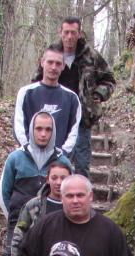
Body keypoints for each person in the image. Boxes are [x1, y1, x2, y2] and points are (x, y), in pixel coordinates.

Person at [33, 16, 116, 176]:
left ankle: (79, 192)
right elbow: (36, 81)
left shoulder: (91, 56)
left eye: (73, 32)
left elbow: (110, 80)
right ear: (60, 32)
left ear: (79, 33)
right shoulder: (52, 55)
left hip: (82, 118)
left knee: (82, 165)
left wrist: (99, 94)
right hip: (54, 116)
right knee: (53, 164)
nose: (69, 36)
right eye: (66, 32)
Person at [14, 47, 81, 156]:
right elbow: (19, 126)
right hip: (29, 157)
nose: (53, 67)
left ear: (63, 66)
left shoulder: (72, 98)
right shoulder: (26, 93)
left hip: (58, 161)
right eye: (50, 62)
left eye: (58, 63)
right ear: (42, 62)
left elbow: (74, 132)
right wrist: (30, 150)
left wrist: (61, 154)